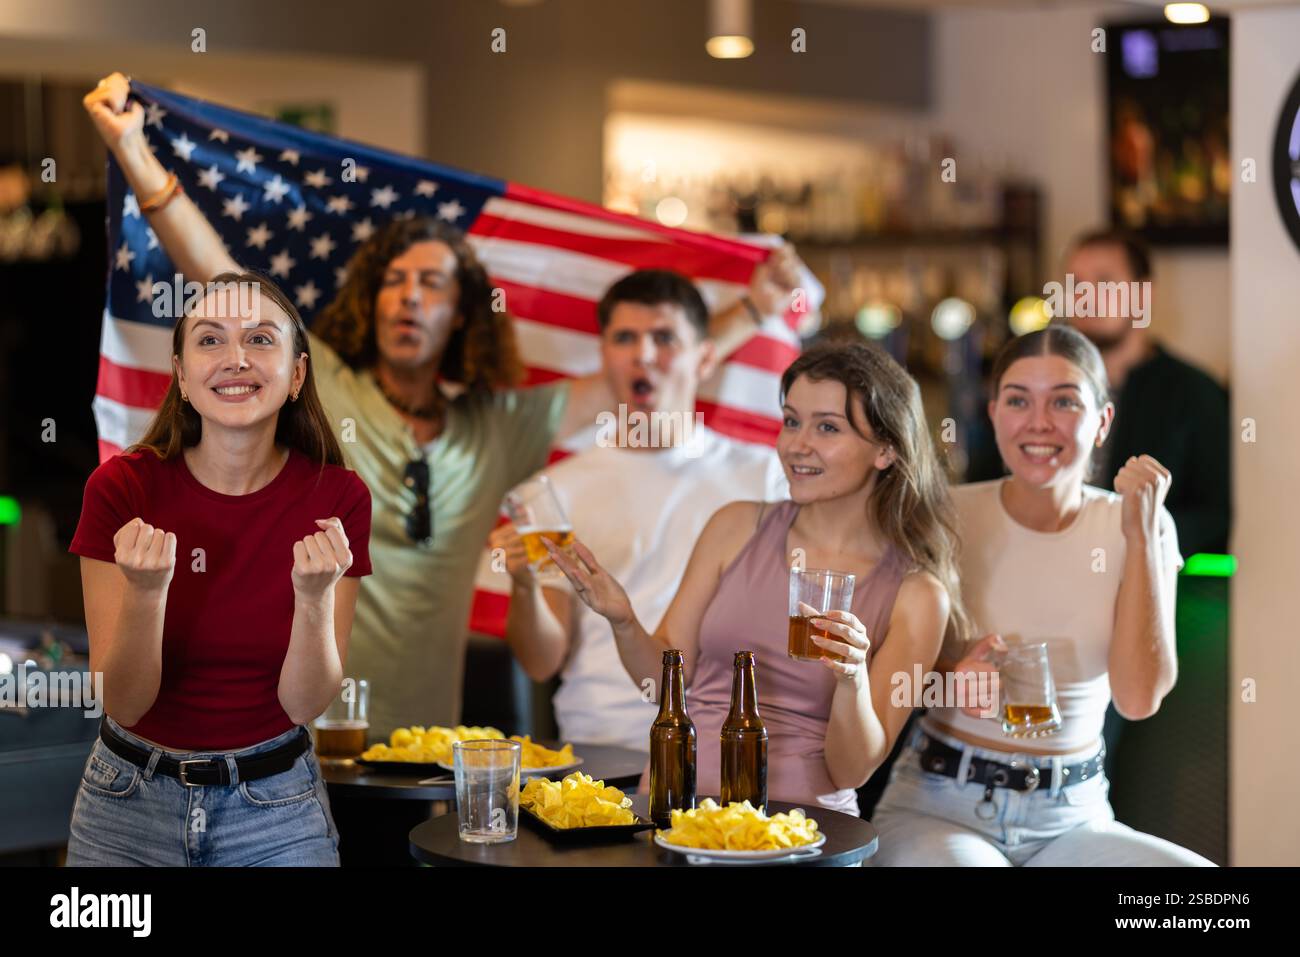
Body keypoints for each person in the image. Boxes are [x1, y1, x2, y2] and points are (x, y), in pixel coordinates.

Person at [82, 72, 799, 736]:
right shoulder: (326, 386)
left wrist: (753, 309)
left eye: (434, 284)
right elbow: (223, 278)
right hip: (300, 736)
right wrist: (133, 151)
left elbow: (638, 370)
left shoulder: (499, 428)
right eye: (395, 281)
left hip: (426, 745)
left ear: (463, 313)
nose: (412, 298)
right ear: (371, 300)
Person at [544, 341, 964, 815]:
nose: (797, 444)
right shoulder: (735, 525)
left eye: (827, 427)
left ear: (886, 450)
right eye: (791, 420)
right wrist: (622, 620)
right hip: (675, 808)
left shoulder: (918, 593)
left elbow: (851, 772)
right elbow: (663, 689)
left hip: (798, 830)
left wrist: (851, 681)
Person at [870, 326, 1213, 866]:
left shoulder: (1142, 525)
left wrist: (1142, 536)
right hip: (941, 806)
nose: (1038, 421)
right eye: (1018, 400)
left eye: (1065, 402)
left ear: (1102, 422)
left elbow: (1138, 697)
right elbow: (878, 679)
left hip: (1073, 817)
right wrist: (945, 682)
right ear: (994, 413)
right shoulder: (945, 516)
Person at [67, 273, 371, 866]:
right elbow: (124, 702)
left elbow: (304, 703)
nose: (235, 359)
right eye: (210, 341)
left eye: (260, 340)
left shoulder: (338, 497)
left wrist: (312, 600)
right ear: (181, 376)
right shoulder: (120, 489)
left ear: (297, 375)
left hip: (277, 809)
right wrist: (147, 594)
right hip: (125, 806)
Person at [492, 270, 788, 752]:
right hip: (600, 747)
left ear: (706, 358)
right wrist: (523, 585)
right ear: (605, 354)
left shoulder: (767, 477)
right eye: (625, 338)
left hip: (733, 744)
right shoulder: (552, 492)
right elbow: (542, 662)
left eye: (664, 337)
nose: (643, 354)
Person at [1065, 228, 1230, 557]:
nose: (1085, 296)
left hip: (1154, 585)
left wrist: (1136, 537)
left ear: (1142, 293)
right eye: (1076, 283)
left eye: (1104, 282)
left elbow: (1217, 516)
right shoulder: (1041, 387)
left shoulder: (1195, 394)